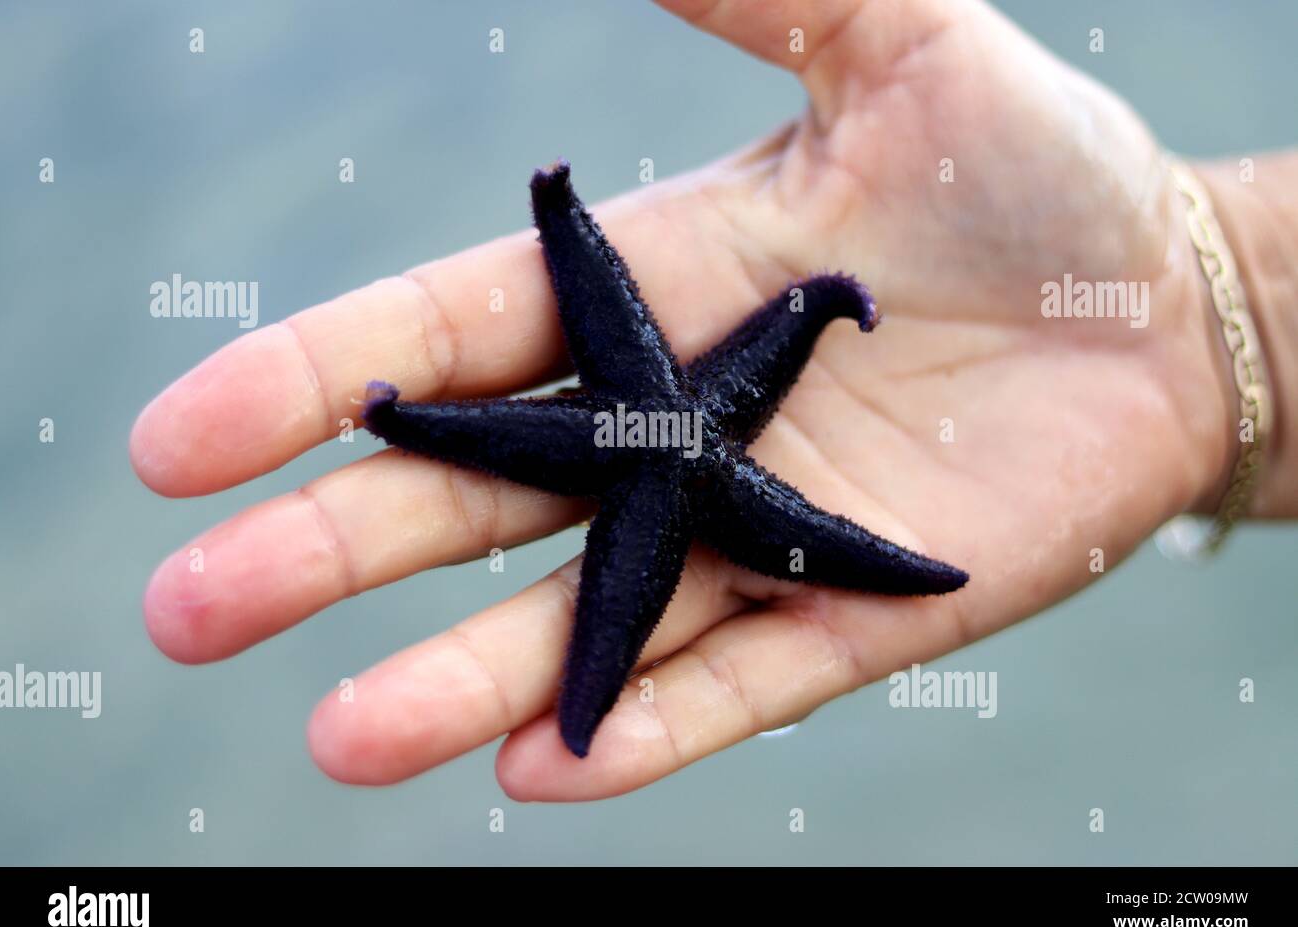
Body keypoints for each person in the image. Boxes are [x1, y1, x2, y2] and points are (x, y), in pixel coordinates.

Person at [129, 0, 1296, 800]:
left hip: (668, 463)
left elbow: (769, 343)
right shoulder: (672, 437)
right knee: (572, 535)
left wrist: (830, 294)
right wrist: (404, 413)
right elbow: (593, 381)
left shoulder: (663, 436)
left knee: (658, 562)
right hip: (671, 463)